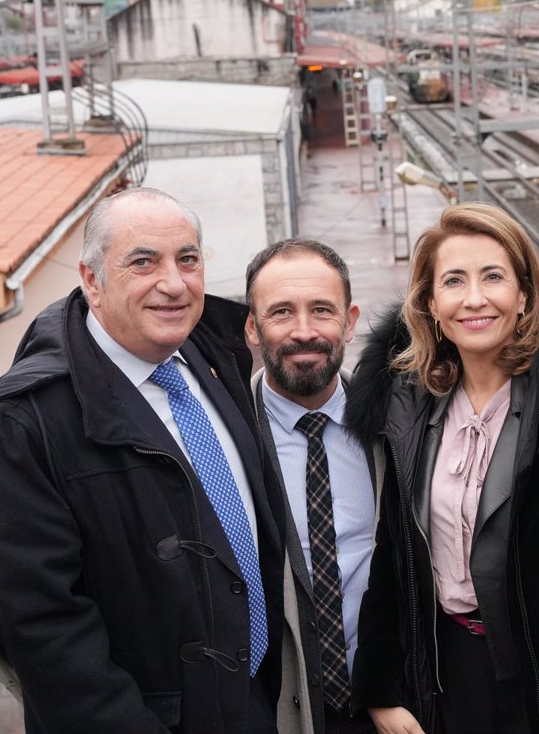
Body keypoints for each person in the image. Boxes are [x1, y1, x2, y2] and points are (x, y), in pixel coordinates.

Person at [0, 189, 285, 734]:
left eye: (188, 259)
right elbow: (46, 629)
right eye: (143, 262)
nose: (174, 284)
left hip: (251, 704)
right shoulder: (25, 421)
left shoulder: (212, 353)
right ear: (92, 280)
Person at [345, 204, 539, 734]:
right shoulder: (410, 403)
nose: (474, 298)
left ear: (524, 294)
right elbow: (395, 554)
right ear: (429, 303)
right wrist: (382, 689)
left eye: (493, 276)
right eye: (453, 281)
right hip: (447, 680)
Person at [244, 239, 380, 734]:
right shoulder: (224, 437)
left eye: (321, 310)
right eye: (281, 312)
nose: (304, 332)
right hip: (279, 713)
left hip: (391, 708)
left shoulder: (396, 427)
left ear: (349, 320)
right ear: (252, 329)